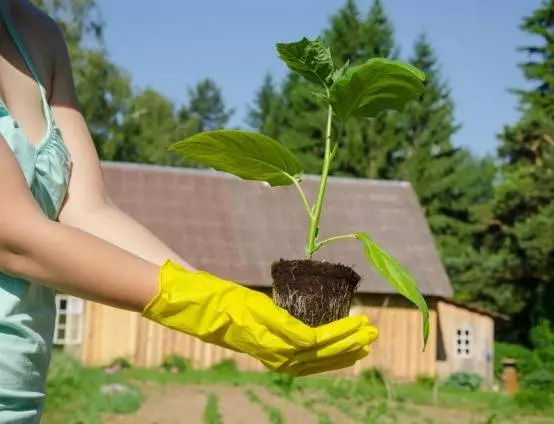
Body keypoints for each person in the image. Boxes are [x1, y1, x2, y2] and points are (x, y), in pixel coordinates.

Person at [0, 0, 378, 421]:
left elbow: (87, 210)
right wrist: (215, 311)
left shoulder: (38, 35)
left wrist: (233, 305)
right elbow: (13, 235)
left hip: (21, 399)